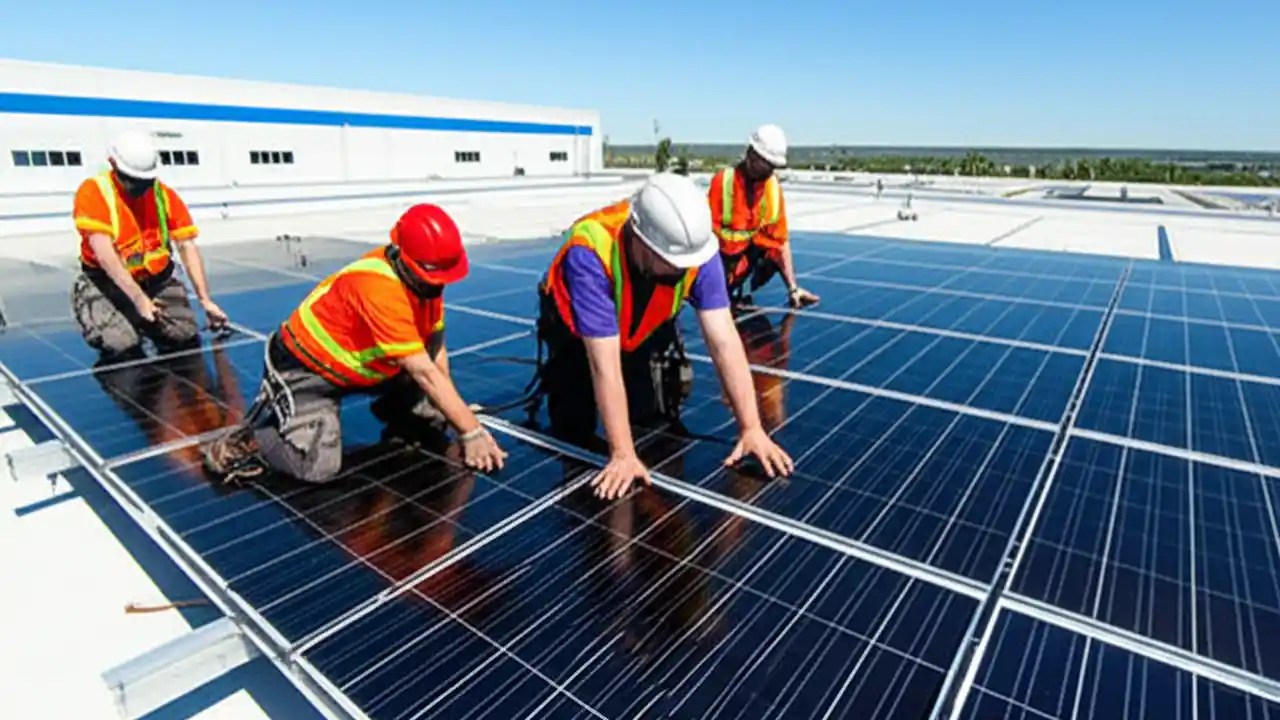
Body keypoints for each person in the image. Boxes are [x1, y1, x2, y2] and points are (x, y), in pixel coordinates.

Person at [202, 204, 508, 484]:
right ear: (404, 258)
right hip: (306, 371)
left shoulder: (426, 281)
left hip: (364, 369)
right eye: (433, 277)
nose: (439, 284)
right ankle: (256, 436)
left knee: (437, 415)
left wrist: (461, 417)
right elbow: (424, 372)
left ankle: (394, 406)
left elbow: (435, 351)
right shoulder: (378, 287)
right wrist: (471, 432)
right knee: (316, 468)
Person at [536, 173, 795, 501]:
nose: (681, 271)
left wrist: (751, 427)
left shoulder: (698, 251)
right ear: (639, 239)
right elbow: (605, 366)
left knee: (653, 418)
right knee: (575, 424)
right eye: (671, 263)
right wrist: (622, 454)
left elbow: (724, 342)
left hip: (641, 325)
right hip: (573, 330)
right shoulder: (591, 251)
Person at [71, 129, 229, 362]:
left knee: (183, 335)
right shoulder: (95, 192)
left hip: (156, 281)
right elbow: (105, 256)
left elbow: (187, 246)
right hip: (106, 282)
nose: (139, 187)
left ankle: (139, 316)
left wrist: (205, 300)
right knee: (121, 345)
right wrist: (138, 298)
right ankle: (121, 315)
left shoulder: (163, 196)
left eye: (145, 181)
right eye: (132, 180)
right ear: (113, 165)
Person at [708, 124, 819, 309]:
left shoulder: (772, 188)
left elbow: (780, 242)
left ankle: (741, 292)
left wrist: (793, 288)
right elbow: (703, 240)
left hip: (745, 267)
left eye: (773, 165)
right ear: (751, 155)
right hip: (719, 266)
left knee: (770, 253)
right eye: (767, 163)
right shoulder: (724, 182)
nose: (770, 170)